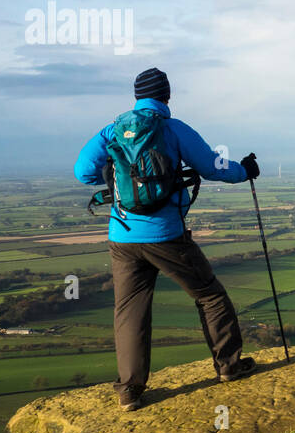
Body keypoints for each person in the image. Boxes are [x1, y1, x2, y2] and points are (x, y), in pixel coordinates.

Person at [74, 68, 262, 410]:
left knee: (130, 312)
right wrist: (245, 170)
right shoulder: (174, 129)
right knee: (209, 295)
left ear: (136, 96)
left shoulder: (113, 129)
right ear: (167, 96)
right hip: (167, 237)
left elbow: (82, 171)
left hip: (122, 236)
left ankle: (130, 390)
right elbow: (214, 167)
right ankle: (229, 367)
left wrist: (115, 180)